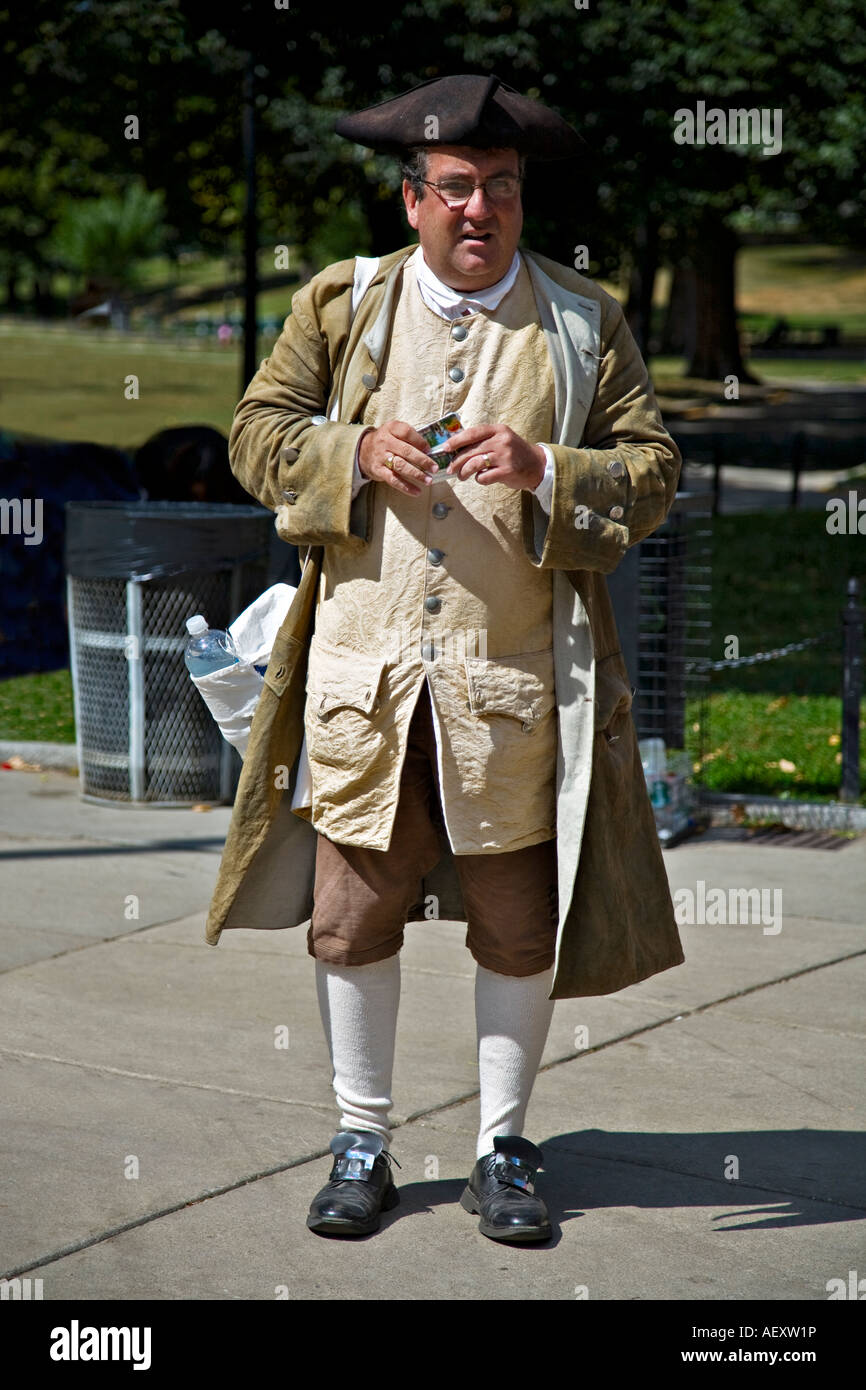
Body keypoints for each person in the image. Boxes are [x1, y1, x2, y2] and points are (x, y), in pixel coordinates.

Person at [205, 73, 685, 1244]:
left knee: (521, 927)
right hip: (365, 685)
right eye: (457, 189)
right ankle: (359, 1139)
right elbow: (253, 436)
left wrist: (545, 471)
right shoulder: (343, 303)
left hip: (512, 690)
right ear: (411, 196)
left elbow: (653, 472)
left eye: (503, 191)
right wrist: (349, 448)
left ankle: (500, 1149)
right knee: (349, 918)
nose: (481, 212)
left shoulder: (583, 322)